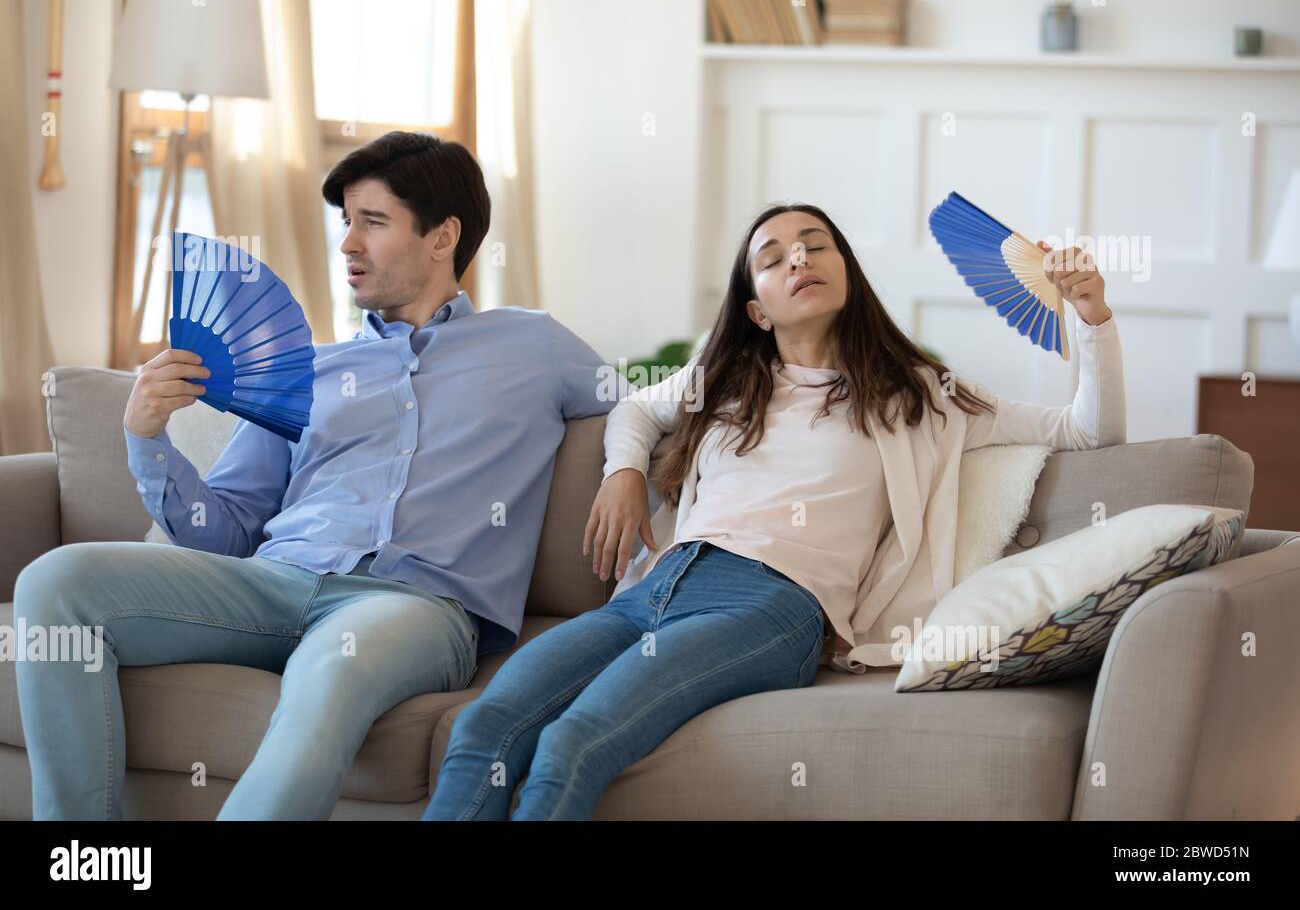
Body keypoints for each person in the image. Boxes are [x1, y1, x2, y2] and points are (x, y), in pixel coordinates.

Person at [423, 201, 1125, 820]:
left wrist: (1091, 315)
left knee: (574, 740)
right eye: (774, 255)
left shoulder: (920, 393)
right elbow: (636, 407)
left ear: (845, 274)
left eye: (817, 244)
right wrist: (625, 472)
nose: (800, 258)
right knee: (485, 728)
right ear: (756, 309)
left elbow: (1087, 430)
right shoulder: (723, 381)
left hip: (767, 606)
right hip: (653, 592)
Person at [13, 131, 622, 820]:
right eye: (345, 223)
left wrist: (627, 470)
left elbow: (656, 412)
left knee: (335, 666)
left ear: (443, 236)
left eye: (373, 222)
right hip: (273, 582)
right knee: (54, 583)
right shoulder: (311, 371)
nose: (347, 245)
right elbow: (229, 528)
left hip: (416, 604)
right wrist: (148, 440)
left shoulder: (534, 345)